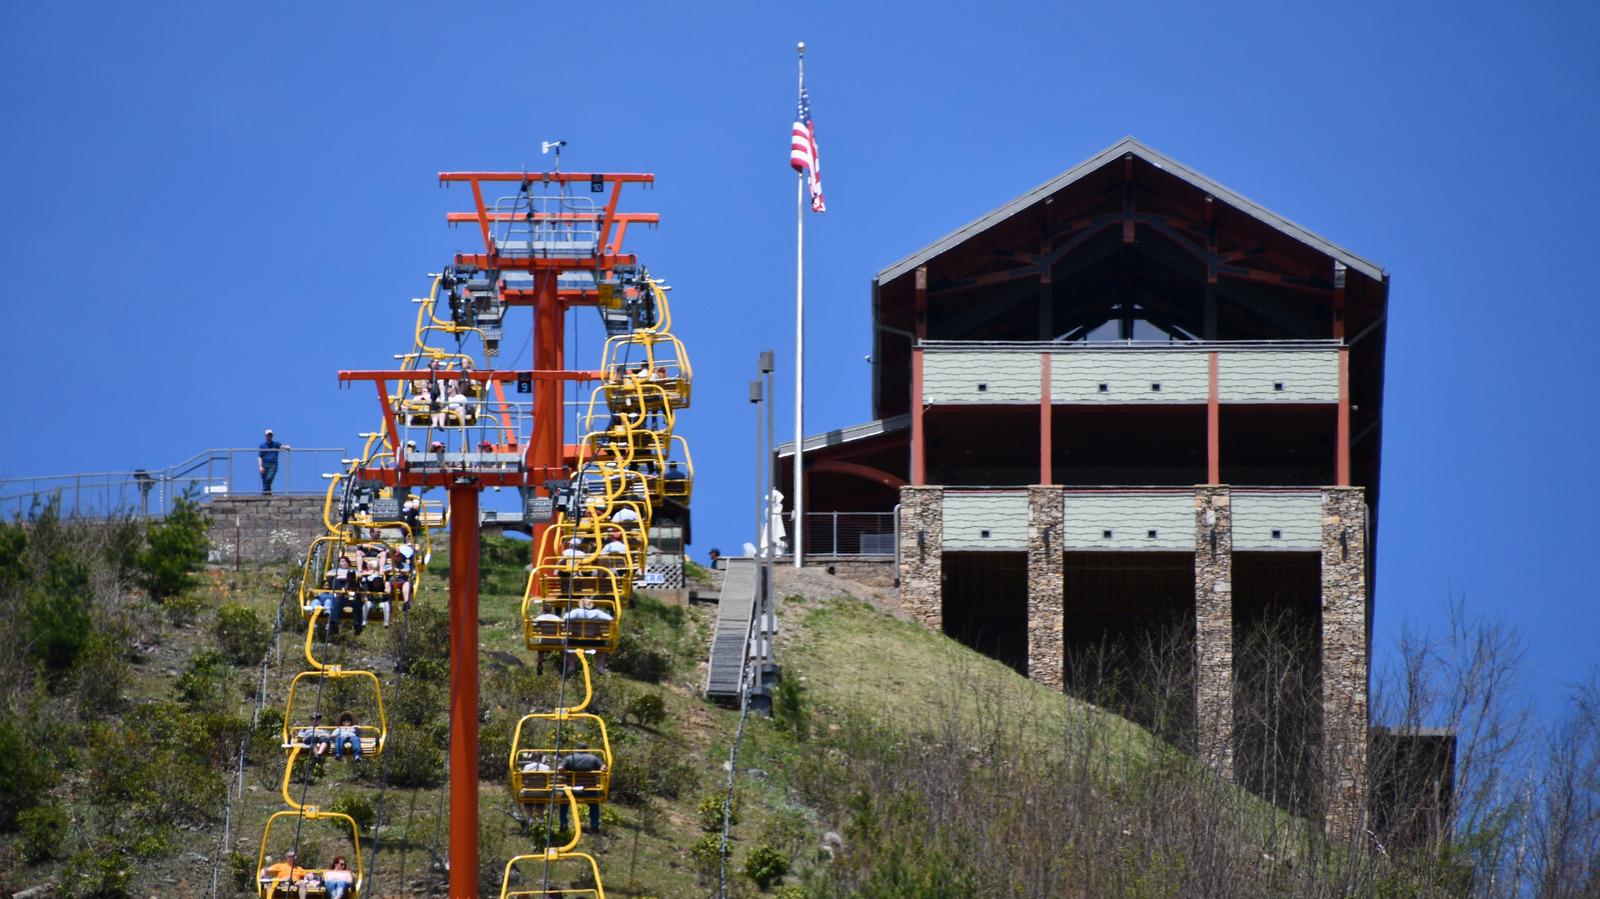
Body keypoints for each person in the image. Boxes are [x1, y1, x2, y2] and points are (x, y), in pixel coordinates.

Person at [556, 744, 606, 833]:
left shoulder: (570, 758)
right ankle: (594, 824)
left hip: (572, 791)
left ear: (577, 749)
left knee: (563, 803)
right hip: (588, 790)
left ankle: (563, 823)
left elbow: (560, 768)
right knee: (594, 804)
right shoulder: (593, 758)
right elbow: (603, 767)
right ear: (586, 749)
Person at [259, 429, 291, 494]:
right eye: (268, 435)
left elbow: (281, 446)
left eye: (270, 435)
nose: (269, 436)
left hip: (273, 465)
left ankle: (264, 493)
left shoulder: (275, 444)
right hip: (264, 465)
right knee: (265, 482)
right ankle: (267, 495)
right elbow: (260, 456)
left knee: (269, 479)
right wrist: (260, 466)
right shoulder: (262, 446)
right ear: (265, 436)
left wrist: (286, 447)